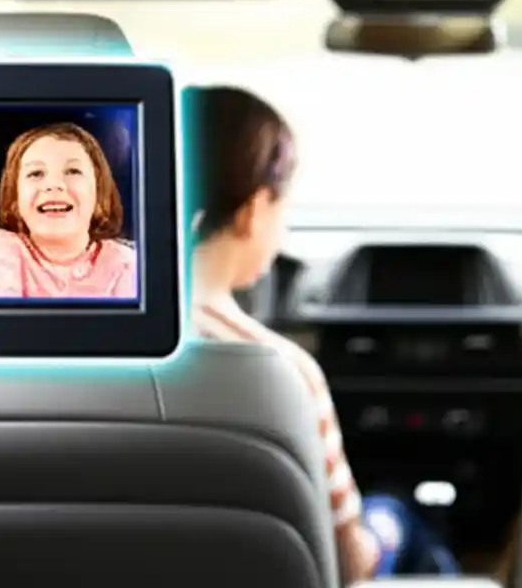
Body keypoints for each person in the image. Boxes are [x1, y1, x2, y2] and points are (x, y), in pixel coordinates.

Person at [187, 87, 457, 583]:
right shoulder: (280, 371)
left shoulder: (83, 350)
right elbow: (348, 564)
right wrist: (385, 530)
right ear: (254, 208)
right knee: (400, 518)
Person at [0, 123, 136, 299]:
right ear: (15, 200)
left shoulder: (124, 263)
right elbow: (2, 323)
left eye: (73, 171)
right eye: (36, 173)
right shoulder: (3, 249)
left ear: (99, 195)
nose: (54, 185)